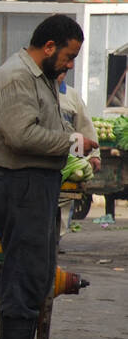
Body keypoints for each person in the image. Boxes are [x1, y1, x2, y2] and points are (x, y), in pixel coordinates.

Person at [0, 15, 97, 339]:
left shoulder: (43, 78)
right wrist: (73, 143)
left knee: (36, 269)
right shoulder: (16, 76)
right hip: (21, 184)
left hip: (37, 183)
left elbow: (48, 124)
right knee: (24, 269)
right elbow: (21, 135)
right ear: (49, 47)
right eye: (68, 56)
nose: (69, 65)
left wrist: (73, 137)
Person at [56, 69, 100, 233]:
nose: (61, 74)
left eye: (63, 72)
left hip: (69, 158)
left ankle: (57, 238)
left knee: (65, 201)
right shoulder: (38, 92)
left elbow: (85, 126)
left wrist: (95, 156)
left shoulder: (72, 97)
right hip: (45, 155)